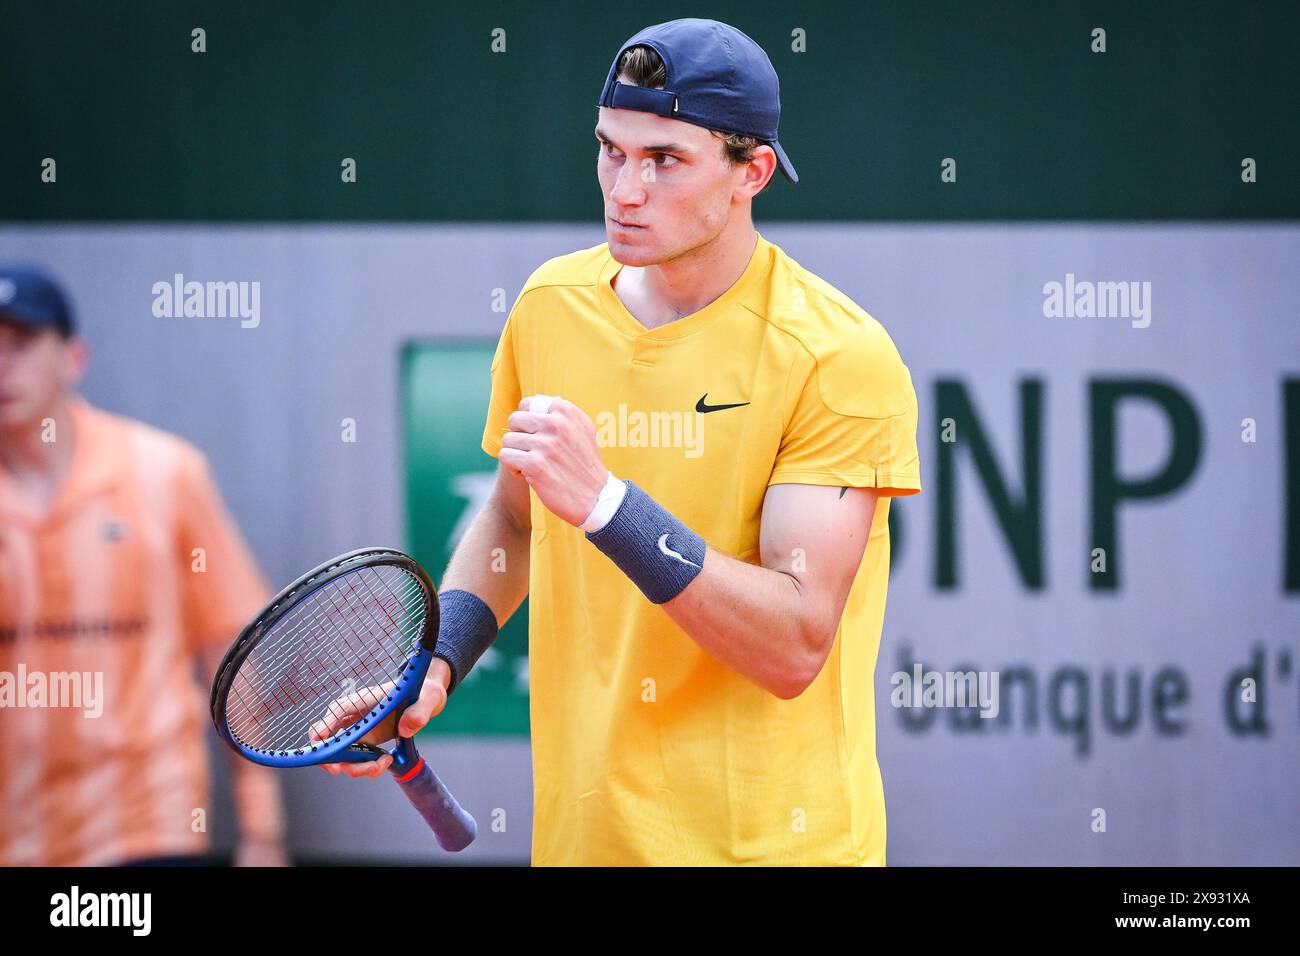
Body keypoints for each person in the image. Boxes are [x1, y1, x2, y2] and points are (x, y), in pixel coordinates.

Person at [325, 18, 922, 865]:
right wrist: (440, 660)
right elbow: (515, 521)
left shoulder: (837, 357)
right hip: (583, 845)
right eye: (610, 150)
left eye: (664, 160)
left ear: (751, 172)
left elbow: (794, 645)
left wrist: (608, 507)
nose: (624, 188)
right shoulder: (550, 305)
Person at [0, 265, 287, 866]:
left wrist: (261, 833)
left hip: (148, 827)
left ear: (73, 358)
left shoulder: (163, 472)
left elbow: (229, 651)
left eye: (22, 344)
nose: (3, 365)